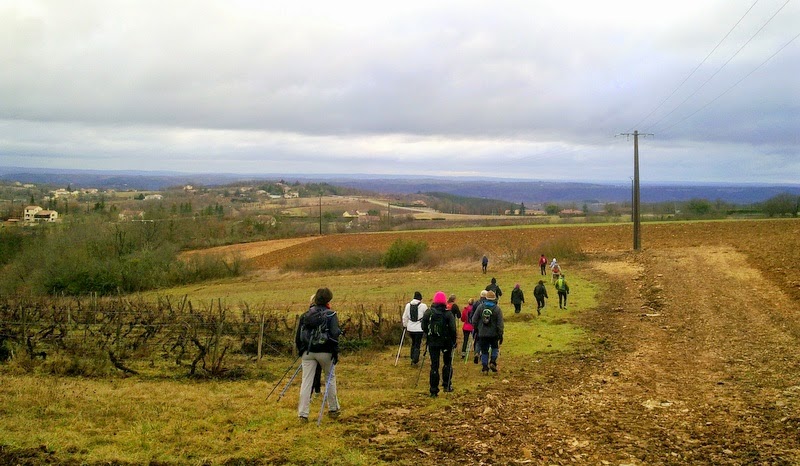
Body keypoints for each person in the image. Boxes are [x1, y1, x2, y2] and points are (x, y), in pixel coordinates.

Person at [295, 287, 341, 423]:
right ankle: (333, 409)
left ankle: (302, 414)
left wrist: (301, 350)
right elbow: (334, 334)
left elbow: (298, 336)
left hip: (308, 352)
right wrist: (335, 351)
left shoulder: (305, 315)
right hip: (325, 351)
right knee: (330, 378)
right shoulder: (331, 314)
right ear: (328, 300)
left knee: (306, 381)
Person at [421, 291, 457, 397]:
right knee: (447, 363)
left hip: (433, 342)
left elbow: (423, 326)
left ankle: (433, 390)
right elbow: (453, 329)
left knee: (434, 365)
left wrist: (429, 335)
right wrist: (453, 341)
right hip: (446, 342)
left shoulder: (429, 312)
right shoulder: (448, 313)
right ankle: (447, 385)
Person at [471, 290, 504, 374]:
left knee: (484, 350)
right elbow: (500, 323)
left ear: (486, 298)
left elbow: (474, 320)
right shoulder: (497, 309)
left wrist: (477, 329)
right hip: (494, 334)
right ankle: (492, 361)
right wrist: (500, 334)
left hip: (482, 333)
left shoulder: (480, 307)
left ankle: (485, 367)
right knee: (494, 348)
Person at [402, 291, 428, 365]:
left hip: (410, 328)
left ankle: (412, 356)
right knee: (417, 343)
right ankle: (415, 359)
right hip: (419, 328)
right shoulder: (423, 306)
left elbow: (405, 317)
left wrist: (405, 325)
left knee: (413, 342)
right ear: (420, 298)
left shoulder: (408, 305)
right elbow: (426, 317)